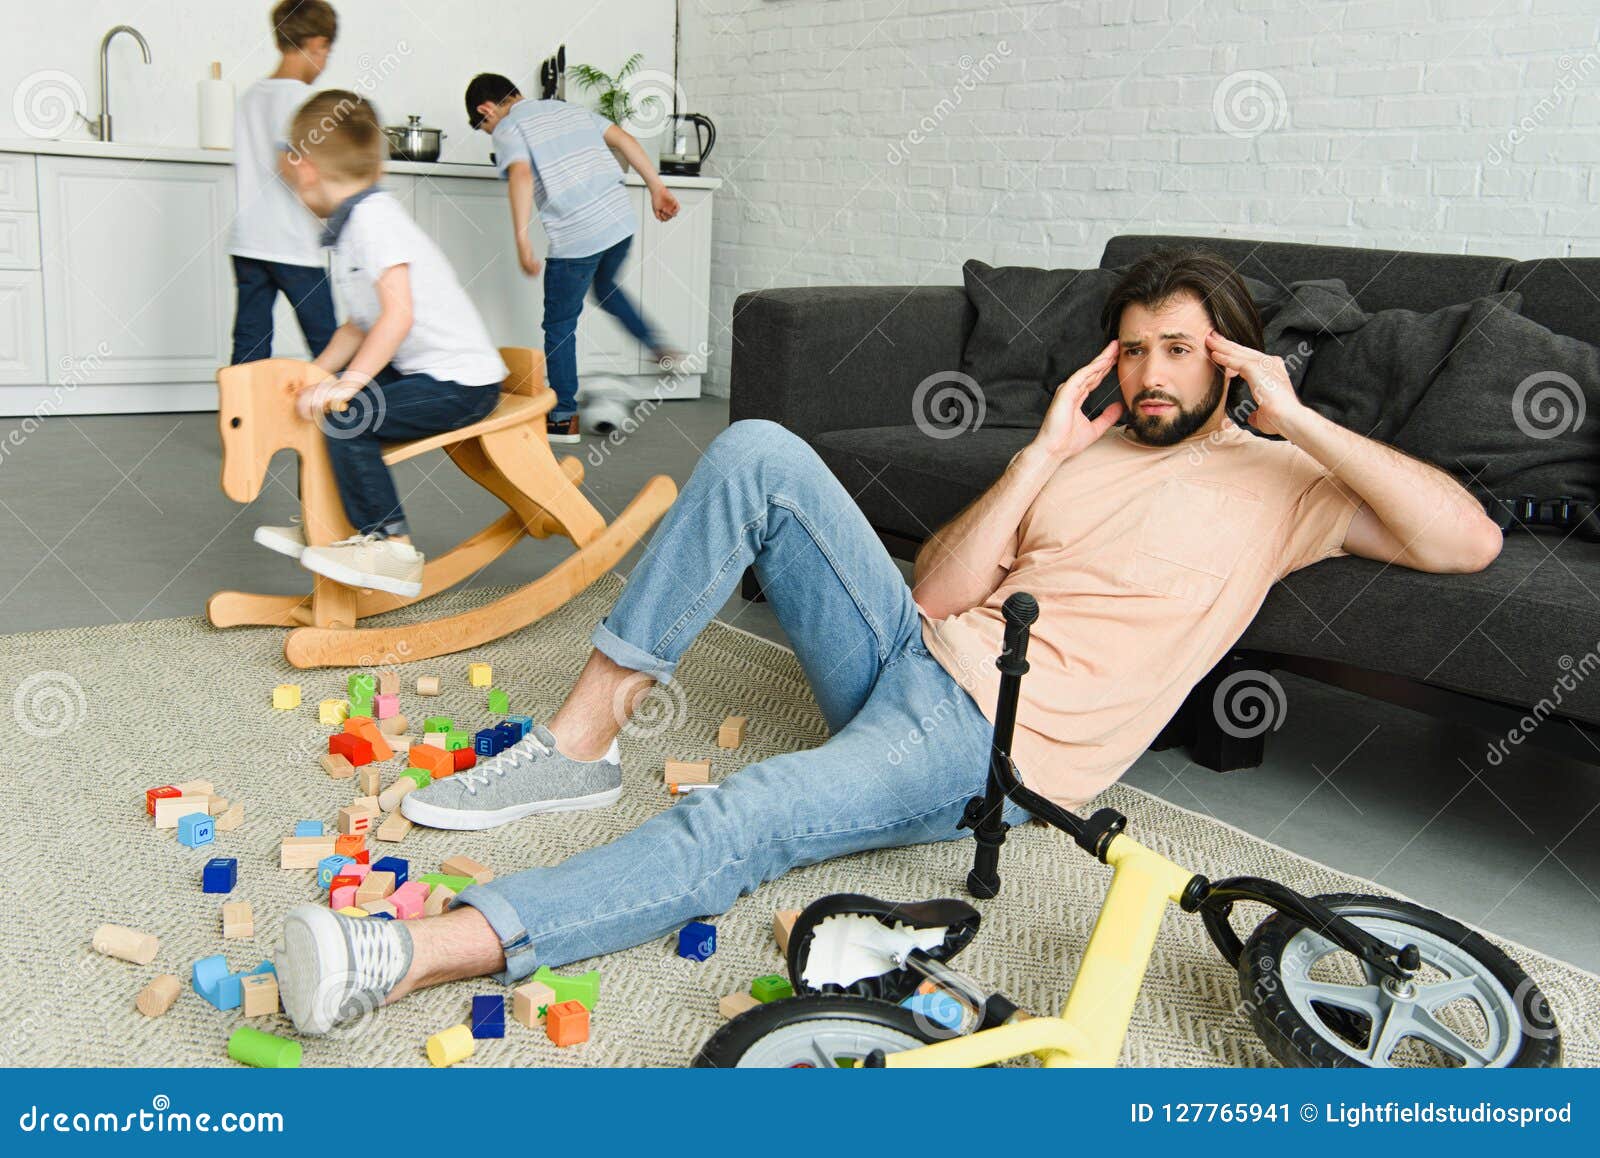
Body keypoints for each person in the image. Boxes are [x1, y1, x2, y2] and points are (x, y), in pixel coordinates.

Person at [273, 248, 1504, 1035]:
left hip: (986, 744)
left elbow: (1467, 541)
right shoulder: (1088, 448)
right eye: (1132, 348)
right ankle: (582, 737)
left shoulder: (1289, 481)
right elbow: (933, 593)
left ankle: (409, 953)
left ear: (1228, 357)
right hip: (920, 662)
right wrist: (1039, 457)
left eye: (1178, 348)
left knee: (740, 818)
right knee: (759, 449)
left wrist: (1291, 412)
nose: (1148, 372)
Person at [251, 91, 508, 597]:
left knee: (349, 416)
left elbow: (398, 315)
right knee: (324, 408)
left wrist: (347, 384)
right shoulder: (353, 226)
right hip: (427, 373)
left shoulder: (375, 221)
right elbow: (358, 325)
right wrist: (316, 375)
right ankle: (326, 525)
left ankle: (389, 545)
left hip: (462, 383)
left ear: (306, 173)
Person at [464, 72, 684, 443]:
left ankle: (564, 416)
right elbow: (624, 139)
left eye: (482, 125)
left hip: (577, 237)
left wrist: (521, 238)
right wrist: (657, 187)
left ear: (486, 109)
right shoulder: (569, 110)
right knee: (606, 288)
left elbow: (520, 173)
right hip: (619, 224)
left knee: (559, 325)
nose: (489, 132)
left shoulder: (507, 128)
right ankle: (656, 344)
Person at [228, 0, 340, 365]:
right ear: (317, 45)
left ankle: (242, 422)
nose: (324, 63)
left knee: (250, 341)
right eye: (327, 52)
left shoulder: (250, 97)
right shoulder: (302, 100)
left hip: (249, 241)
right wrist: (328, 204)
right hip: (292, 242)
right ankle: (350, 419)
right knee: (327, 342)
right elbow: (290, 162)